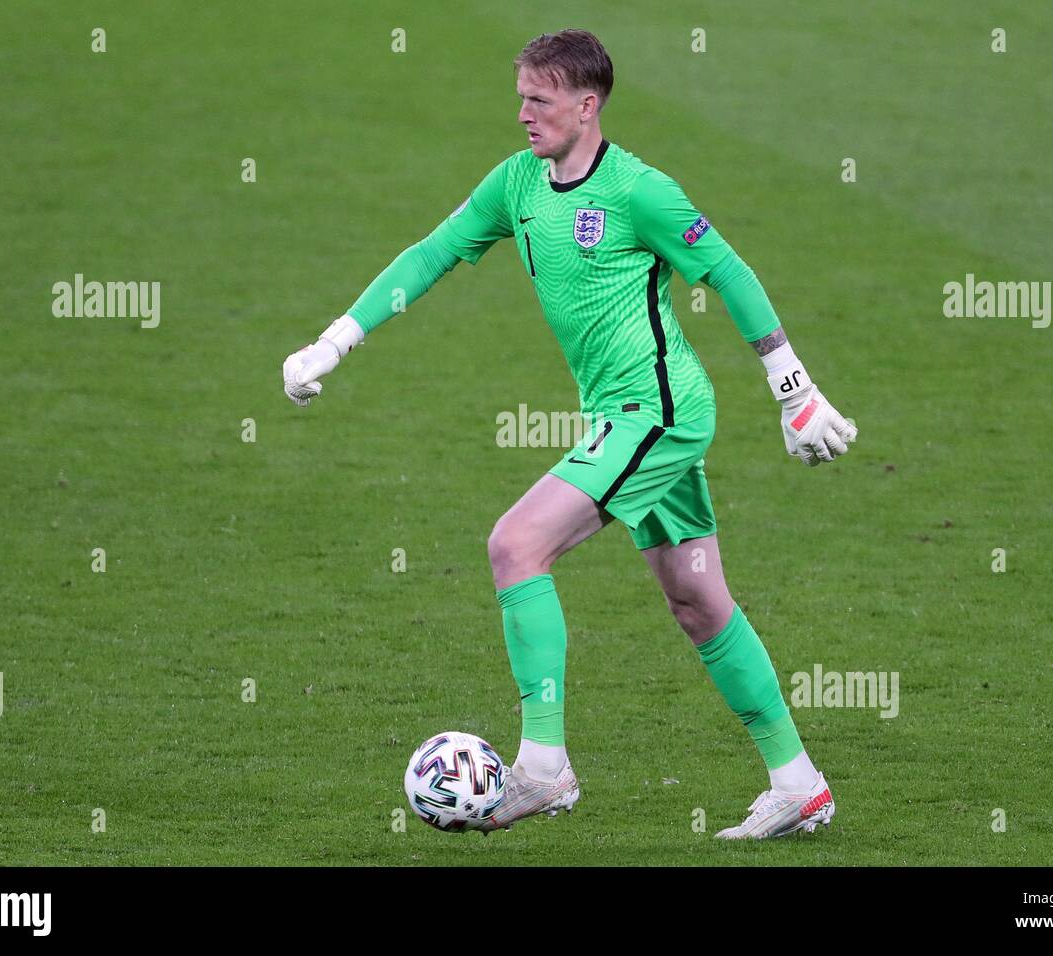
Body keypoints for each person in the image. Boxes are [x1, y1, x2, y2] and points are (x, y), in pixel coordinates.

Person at [282, 29, 857, 838]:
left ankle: (544, 769)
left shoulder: (639, 192)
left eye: (539, 100)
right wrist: (336, 339)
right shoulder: (517, 184)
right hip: (624, 418)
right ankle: (800, 785)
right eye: (520, 96)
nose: (523, 113)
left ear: (587, 107)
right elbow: (434, 252)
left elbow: (727, 269)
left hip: (658, 415)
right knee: (697, 600)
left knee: (516, 545)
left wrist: (792, 386)